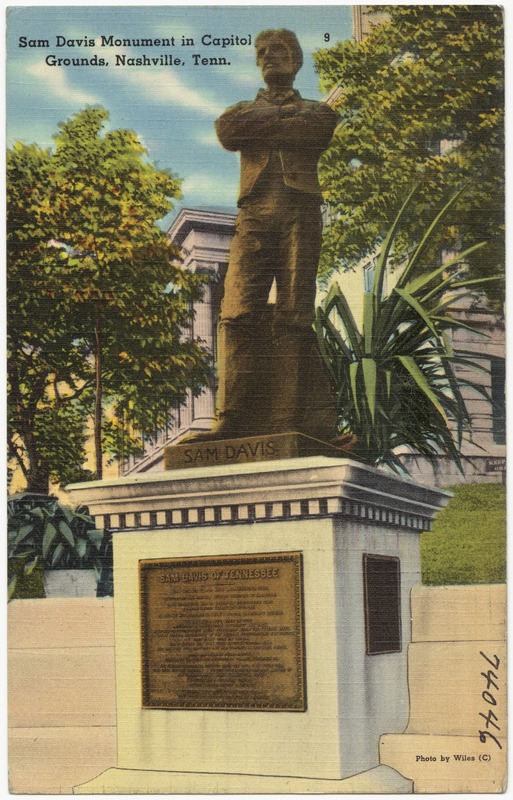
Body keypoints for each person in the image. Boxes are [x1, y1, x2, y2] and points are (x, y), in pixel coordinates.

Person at [188, 29, 338, 443]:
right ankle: (231, 418)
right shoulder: (241, 111)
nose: (269, 57)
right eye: (262, 52)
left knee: (293, 314)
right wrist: (283, 121)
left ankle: (285, 419)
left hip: (299, 215)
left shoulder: (319, 113)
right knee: (236, 313)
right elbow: (229, 132)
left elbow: (316, 131)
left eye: (279, 51)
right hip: (253, 217)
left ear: (296, 60)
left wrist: (267, 124)